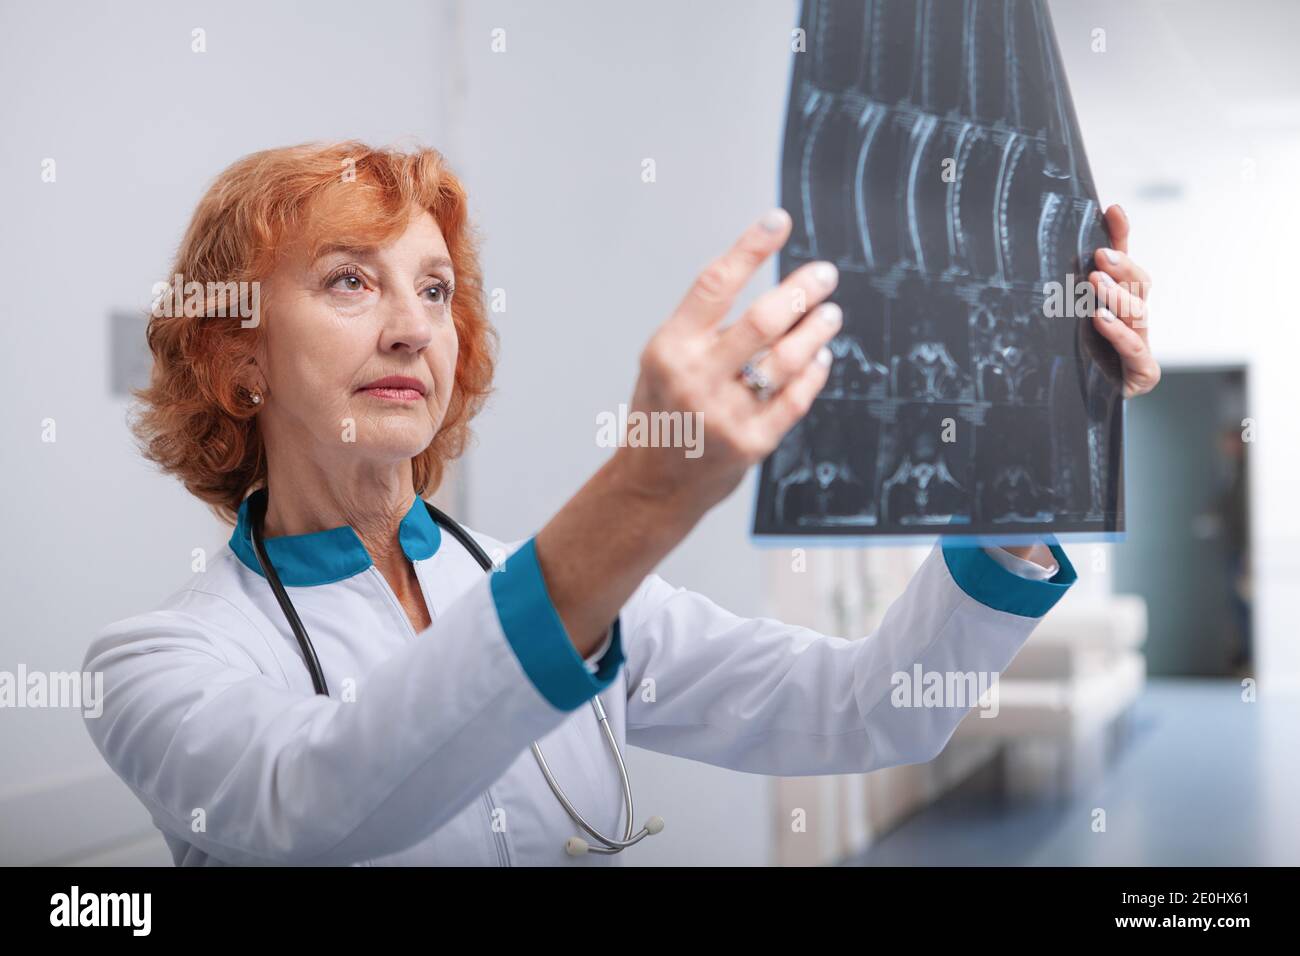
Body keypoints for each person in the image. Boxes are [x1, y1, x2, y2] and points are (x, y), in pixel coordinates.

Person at [82, 141, 1159, 865]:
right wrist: (644, 489)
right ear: (237, 361)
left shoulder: (569, 594)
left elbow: (874, 704)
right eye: (350, 281)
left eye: (435, 288)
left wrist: (1031, 451)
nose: (411, 325)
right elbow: (313, 799)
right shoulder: (158, 661)